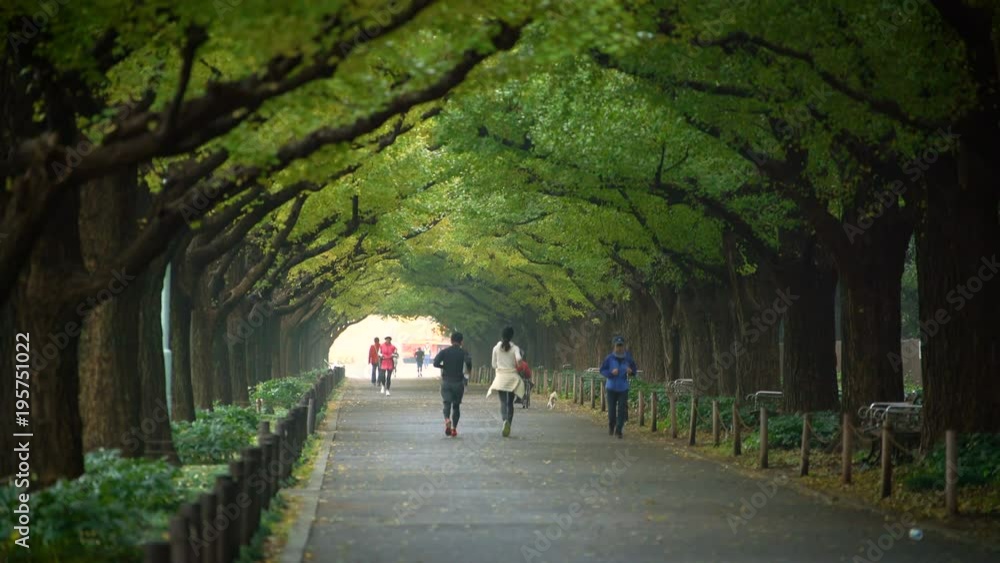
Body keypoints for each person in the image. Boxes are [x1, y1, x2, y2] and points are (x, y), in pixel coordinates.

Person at [487, 327, 525, 437]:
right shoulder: (515, 348)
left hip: (500, 378)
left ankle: (504, 421)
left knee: (503, 402)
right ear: (512, 336)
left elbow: (494, 365)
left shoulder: (496, 348)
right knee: (510, 403)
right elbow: (518, 359)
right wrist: (519, 364)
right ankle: (509, 422)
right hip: (512, 378)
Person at [433, 333, 472, 437]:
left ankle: (447, 419)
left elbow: (435, 363)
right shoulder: (463, 352)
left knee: (446, 403)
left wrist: (444, 366)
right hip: (458, 383)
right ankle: (454, 429)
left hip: (446, 382)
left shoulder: (444, 352)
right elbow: (469, 363)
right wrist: (468, 372)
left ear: (451, 340)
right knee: (456, 406)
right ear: (461, 341)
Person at [600, 335, 637, 439]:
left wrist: (631, 372)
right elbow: (602, 370)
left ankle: (619, 430)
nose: (619, 348)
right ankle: (612, 425)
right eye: (617, 346)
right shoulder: (609, 358)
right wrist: (611, 373)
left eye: (621, 346)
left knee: (621, 410)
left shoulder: (628, 357)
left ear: (623, 346)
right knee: (611, 411)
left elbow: (634, 369)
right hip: (611, 388)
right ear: (614, 346)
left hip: (623, 388)